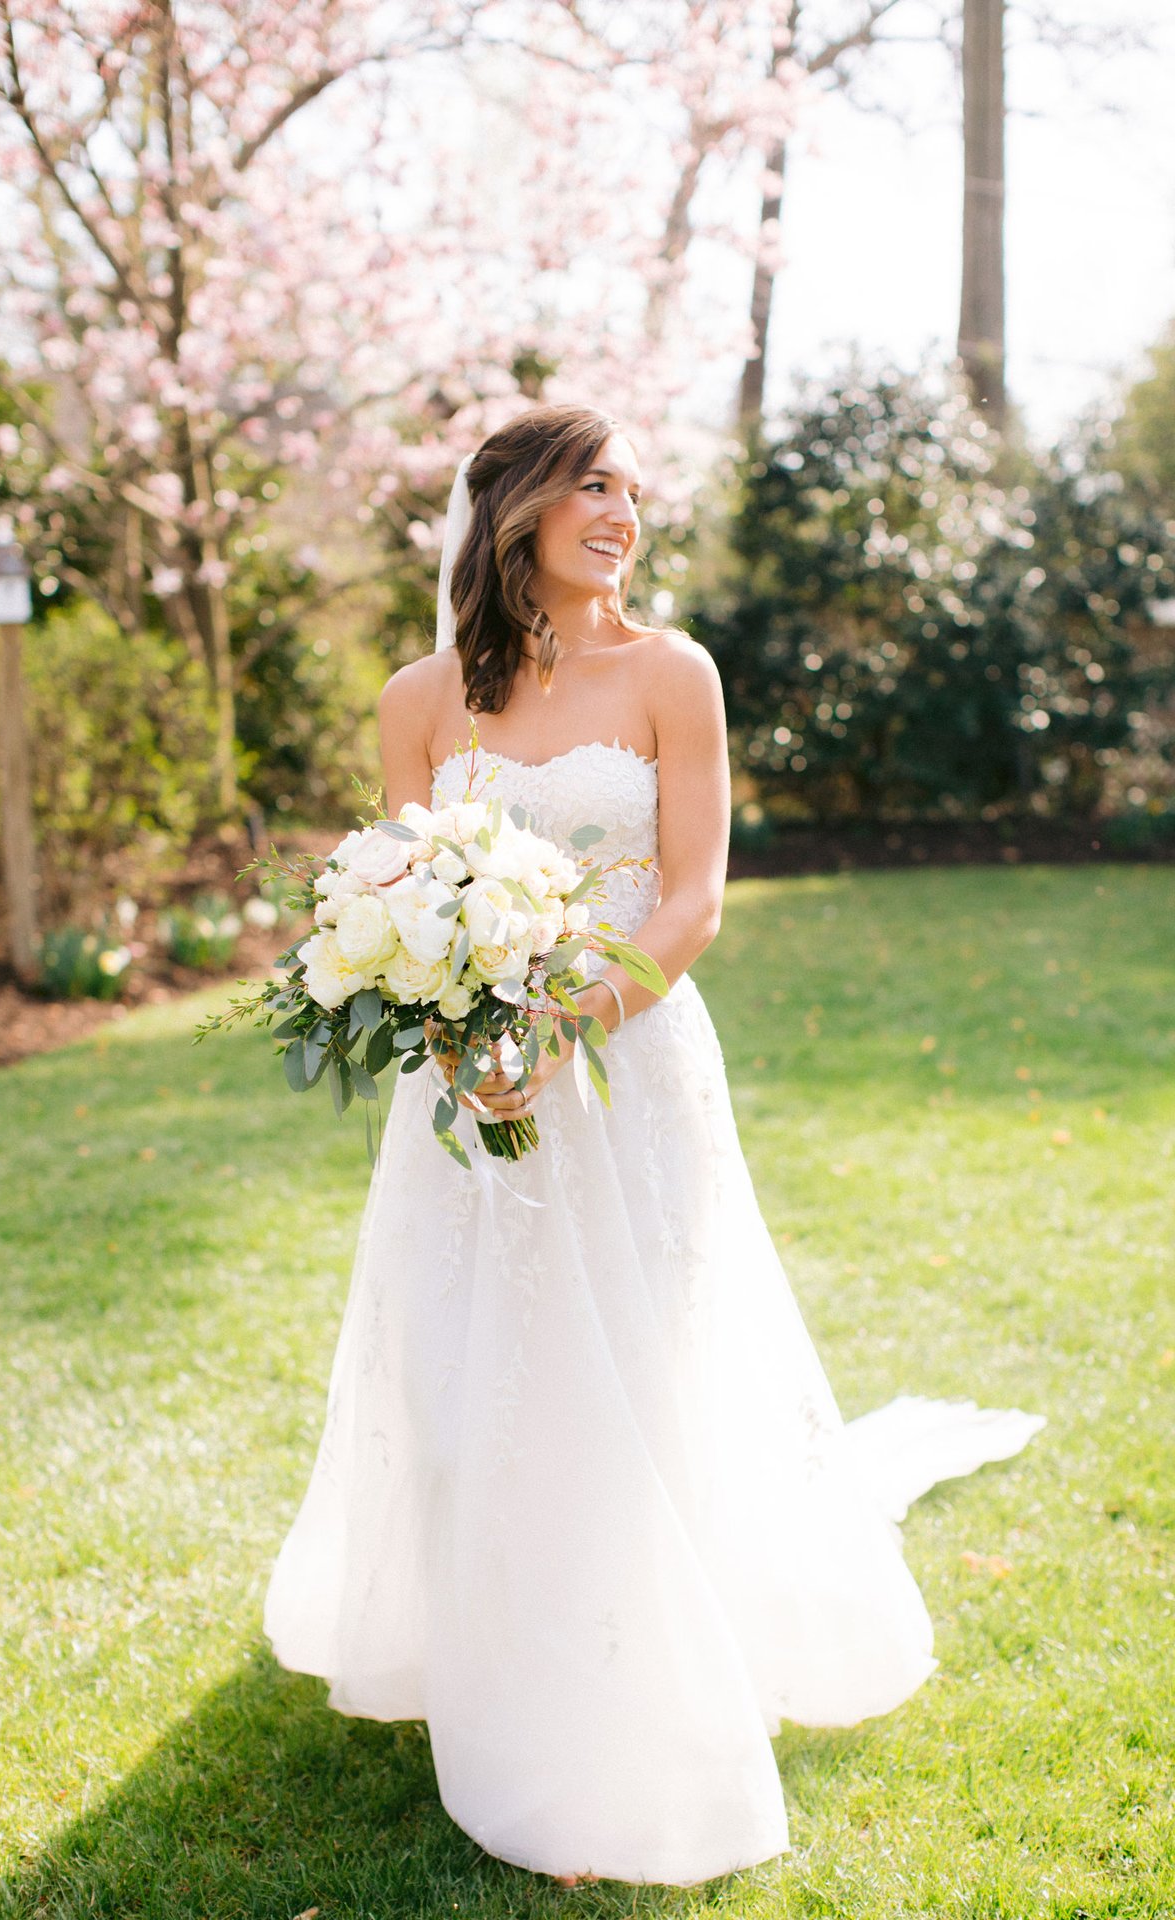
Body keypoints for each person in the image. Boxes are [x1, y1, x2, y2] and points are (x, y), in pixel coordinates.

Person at [263, 404, 1045, 1888]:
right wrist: (465, 1041)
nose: (623, 509)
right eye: (592, 485)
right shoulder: (421, 698)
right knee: (470, 1371)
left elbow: (691, 898)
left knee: (637, 1364)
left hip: (630, 1066)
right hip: (474, 1090)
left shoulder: (674, 672)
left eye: (633, 487)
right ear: (515, 513)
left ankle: (629, 1689)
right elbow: (408, 907)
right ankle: (497, 1651)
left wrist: (574, 1022)